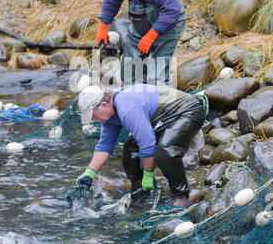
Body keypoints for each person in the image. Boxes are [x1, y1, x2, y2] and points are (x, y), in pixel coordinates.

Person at [75, 83, 206, 207]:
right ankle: (141, 192)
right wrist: (89, 173)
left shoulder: (127, 107)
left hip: (188, 111)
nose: (93, 120)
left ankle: (181, 195)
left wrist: (148, 174)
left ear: (103, 105)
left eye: (92, 115)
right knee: (131, 149)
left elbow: (148, 145)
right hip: (162, 119)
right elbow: (104, 146)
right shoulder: (109, 115)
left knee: (165, 151)